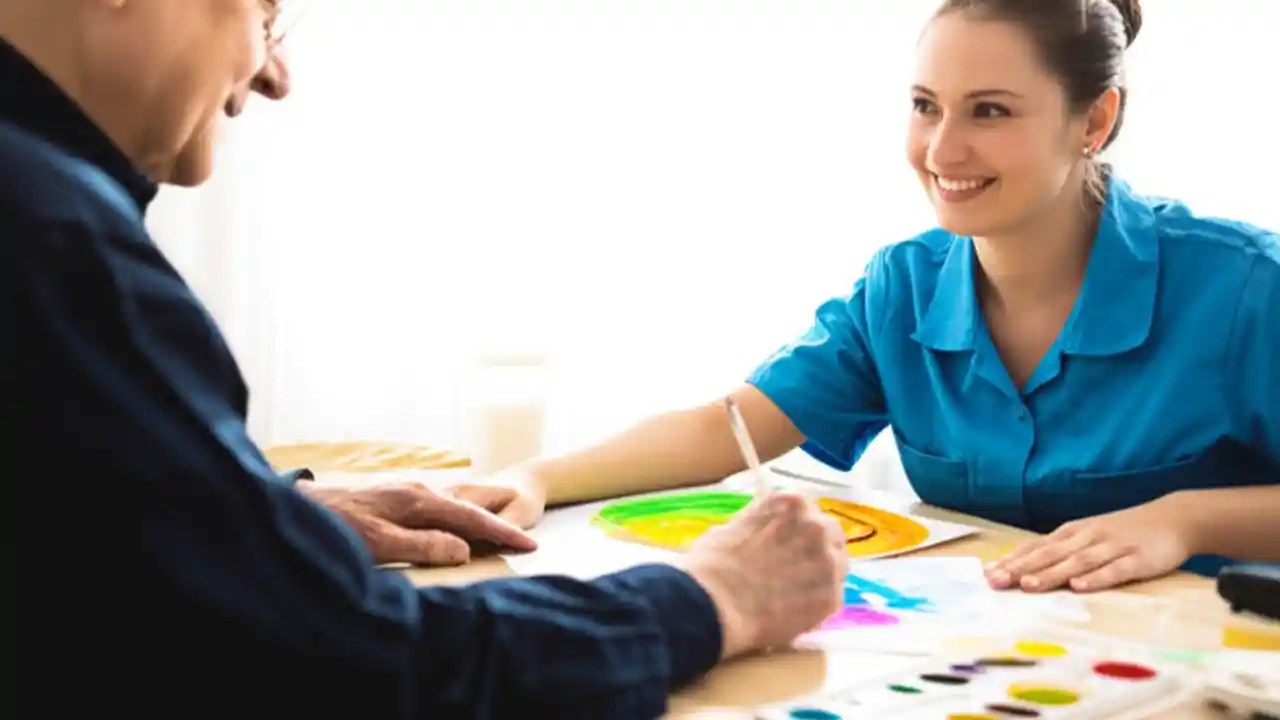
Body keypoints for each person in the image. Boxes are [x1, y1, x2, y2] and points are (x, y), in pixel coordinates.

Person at [4, 1, 847, 717]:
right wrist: (711, 598)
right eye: (264, 12)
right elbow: (360, 670)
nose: (276, 76)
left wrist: (244, 524)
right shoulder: (55, 240)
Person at [457, 0, 1280, 594]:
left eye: (989, 111)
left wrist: (1187, 518)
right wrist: (535, 476)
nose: (941, 149)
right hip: (1014, 662)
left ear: (1094, 121)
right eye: (926, 107)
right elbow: (730, 427)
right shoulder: (905, 287)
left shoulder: (1243, 285)